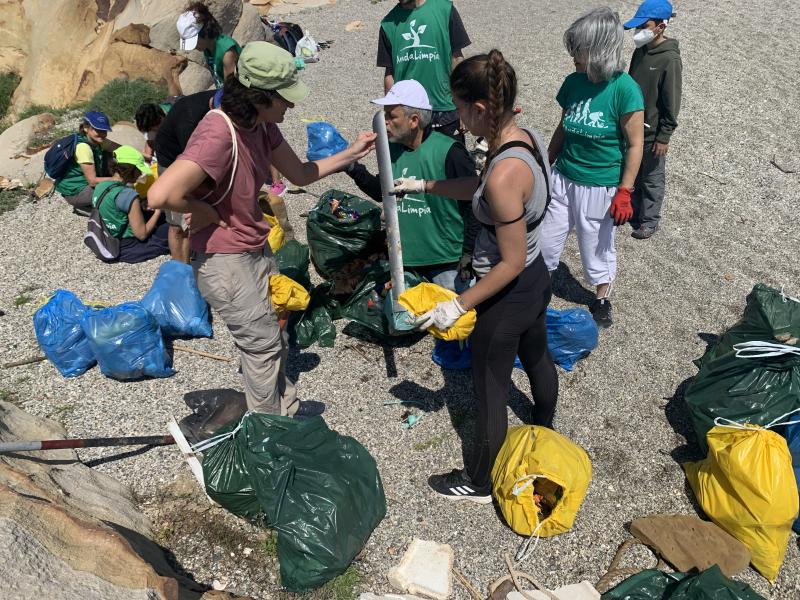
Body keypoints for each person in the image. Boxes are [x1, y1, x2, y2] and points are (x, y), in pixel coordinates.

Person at [147, 42, 376, 419]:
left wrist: (351, 153)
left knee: (275, 334)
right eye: (285, 98)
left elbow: (300, 174)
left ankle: (285, 411)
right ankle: (267, 432)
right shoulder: (218, 132)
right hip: (224, 261)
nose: (291, 106)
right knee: (263, 347)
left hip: (254, 248)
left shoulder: (261, 126)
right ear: (259, 96)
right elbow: (160, 194)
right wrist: (204, 210)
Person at [393, 50, 558, 503]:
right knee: (537, 355)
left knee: (489, 389)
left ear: (481, 108)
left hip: (506, 293)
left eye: (460, 109)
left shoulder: (504, 173)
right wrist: (426, 186)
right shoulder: (524, 138)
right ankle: (544, 425)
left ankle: (480, 482)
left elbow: (510, 261)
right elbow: (481, 188)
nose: (457, 119)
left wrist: (459, 304)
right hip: (537, 281)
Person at [542, 7, 644, 328]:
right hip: (563, 177)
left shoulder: (625, 89)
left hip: (600, 185)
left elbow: (635, 144)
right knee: (545, 240)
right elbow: (563, 127)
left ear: (599, 49)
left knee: (595, 247)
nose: (572, 55)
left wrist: (625, 191)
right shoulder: (573, 82)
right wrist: (547, 162)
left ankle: (601, 297)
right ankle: (537, 287)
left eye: (579, 48)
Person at [345, 79, 477, 292]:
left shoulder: (450, 152)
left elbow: (475, 204)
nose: (385, 122)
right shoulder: (392, 150)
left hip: (448, 264)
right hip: (404, 263)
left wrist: (469, 253)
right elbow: (383, 192)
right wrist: (352, 167)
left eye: (391, 116)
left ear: (414, 120)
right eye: (384, 115)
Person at [624, 0, 682, 239]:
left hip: (652, 131)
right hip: (632, 126)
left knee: (652, 177)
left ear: (660, 26)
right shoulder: (640, 51)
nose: (639, 32)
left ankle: (649, 220)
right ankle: (634, 212)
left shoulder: (669, 60)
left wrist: (664, 136)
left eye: (644, 26)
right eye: (637, 27)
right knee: (634, 170)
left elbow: (671, 101)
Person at [378, 0, 471, 141]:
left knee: (450, 154)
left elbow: (457, 59)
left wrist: (465, 104)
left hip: (445, 109)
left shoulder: (445, 10)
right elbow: (390, 74)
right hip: (409, 114)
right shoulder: (388, 24)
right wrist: (390, 115)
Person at [91, 146, 169, 264]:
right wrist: (158, 212)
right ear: (130, 170)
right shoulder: (128, 194)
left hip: (109, 238)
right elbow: (142, 235)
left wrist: (139, 205)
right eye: (138, 169)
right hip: (129, 247)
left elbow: (115, 208)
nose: (140, 173)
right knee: (173, 226)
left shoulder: (100, 186)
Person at [55, 111, 118, 213]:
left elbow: (120, 149)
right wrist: (116, 179)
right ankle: (84, 208)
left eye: (104, 130)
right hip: (75, 192)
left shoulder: (97, 140)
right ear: (86, 128)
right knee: (116, 191)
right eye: (98, 130)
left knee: (110, 154)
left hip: (82, 183)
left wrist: (144, 156)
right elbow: (92, 181)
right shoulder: (83, 148)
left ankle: (94, 204)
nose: (102, 134)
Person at [177, 3, 241, 89]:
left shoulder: (227, 52)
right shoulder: (207, 48)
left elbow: (231, 88)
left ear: (205, 32)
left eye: (195, 42)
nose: (194, 47)